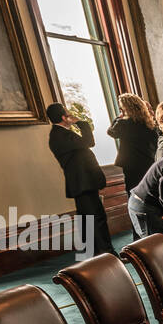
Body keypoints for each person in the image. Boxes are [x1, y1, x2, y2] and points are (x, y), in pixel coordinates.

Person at [46, 102, 112, 256]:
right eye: (67, 113)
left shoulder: (62, 133)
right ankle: (105, 252)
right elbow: (89, 142)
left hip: (85, 183)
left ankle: (93, 253)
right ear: (64, 117)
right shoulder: (59, 135)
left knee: (88, 220)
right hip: (82, 183)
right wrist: (81, 123)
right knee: (96, 219)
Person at [106, 94, 158, 196]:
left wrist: (118, 118)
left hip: (131, 164)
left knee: (133, 191)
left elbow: (111, 132)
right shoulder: (149, 123)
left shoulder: (123, 123)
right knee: (149, 189)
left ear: (126, 108)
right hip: (148, 161)